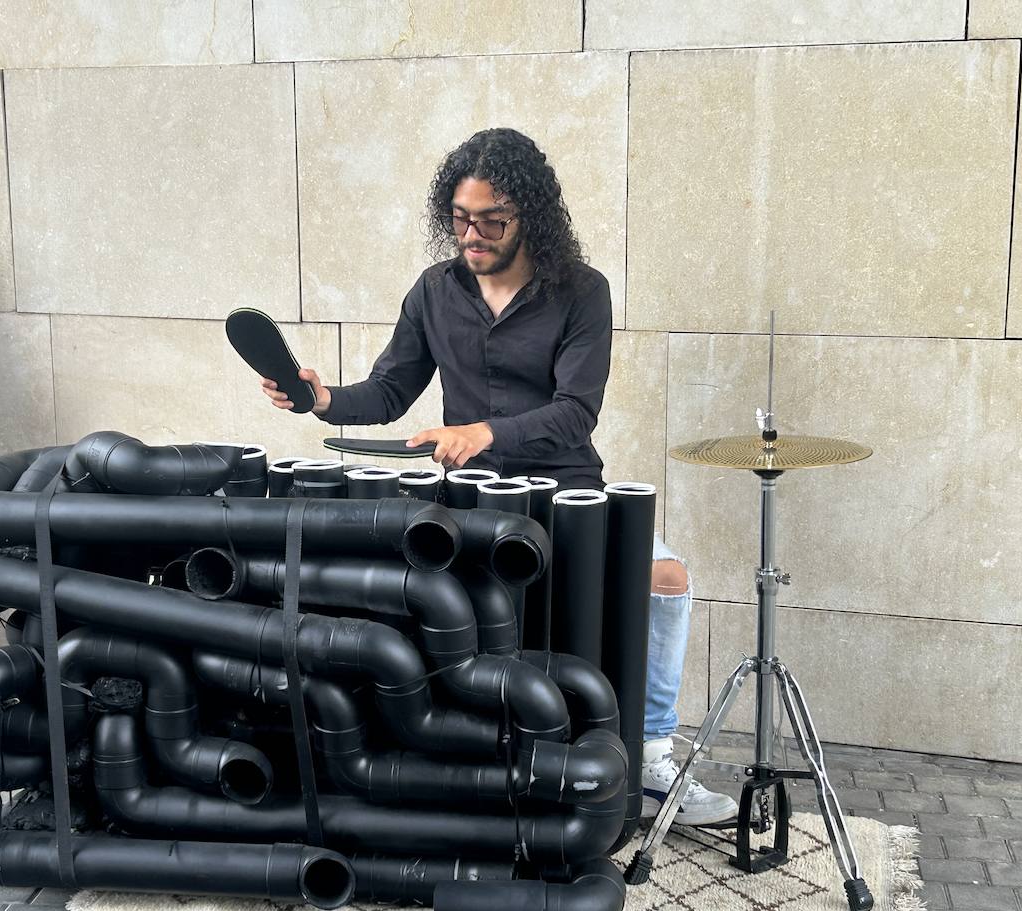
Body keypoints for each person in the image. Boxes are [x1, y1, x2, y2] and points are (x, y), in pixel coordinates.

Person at [260, 128, 737, 827]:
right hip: (470, 500)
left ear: (530, 216)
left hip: (567, 489)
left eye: (491, 220)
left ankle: (653, 757)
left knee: (666, 577)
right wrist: (323, 398)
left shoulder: (582, 292)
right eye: (460, 218)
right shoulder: (433, 291)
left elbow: (576, 412)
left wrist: (483, 431)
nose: (472, 234)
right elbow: (391, 391)